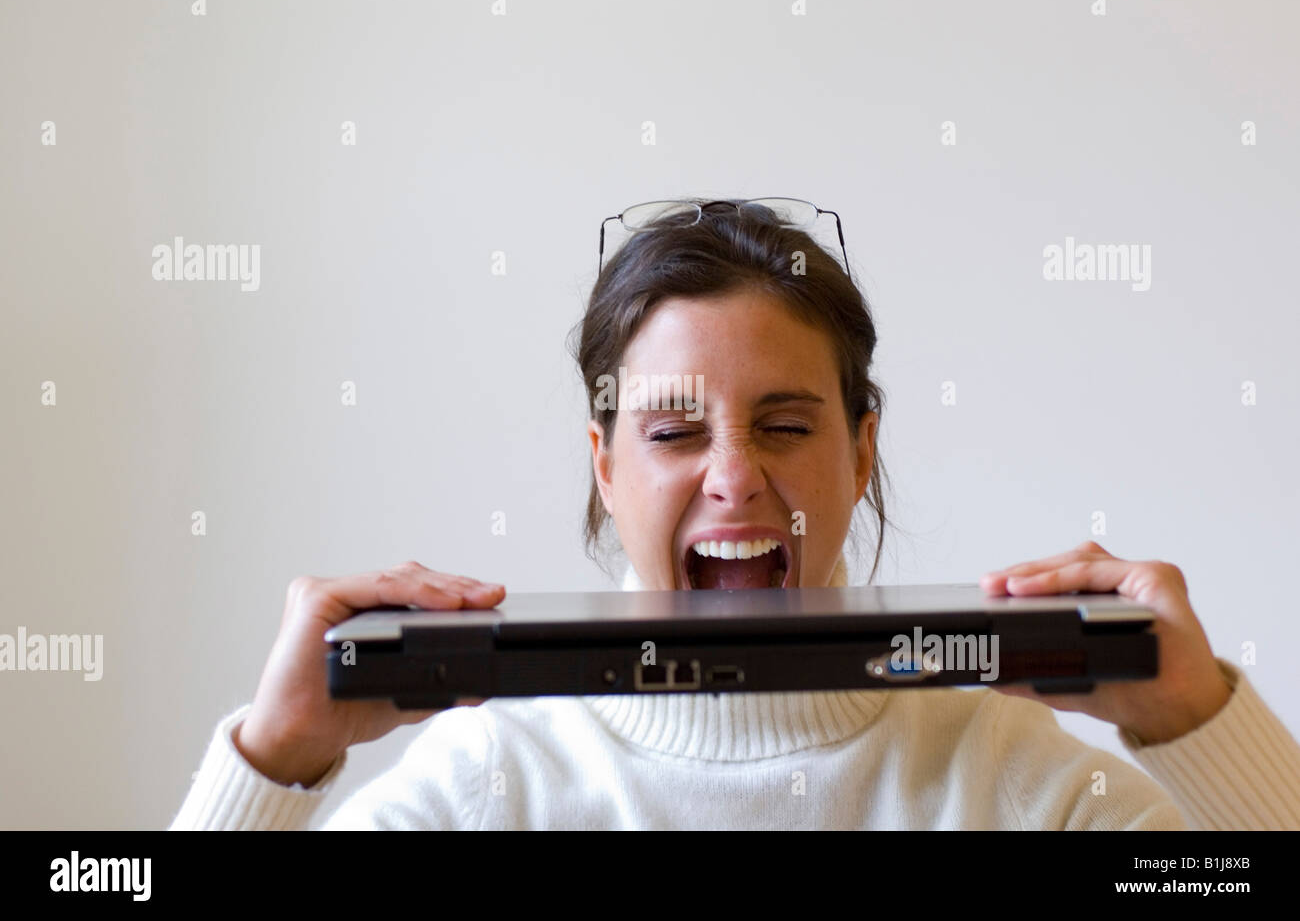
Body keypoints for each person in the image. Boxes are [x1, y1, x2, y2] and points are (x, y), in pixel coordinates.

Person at [170, 198, 1300, 829]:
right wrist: (273, 760)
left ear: (862, 452)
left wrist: (1194, 720)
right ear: (604, 466)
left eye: (787, 424)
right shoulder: (485, 790)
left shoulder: (1014, 783)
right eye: (671, 433)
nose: (732, 478)